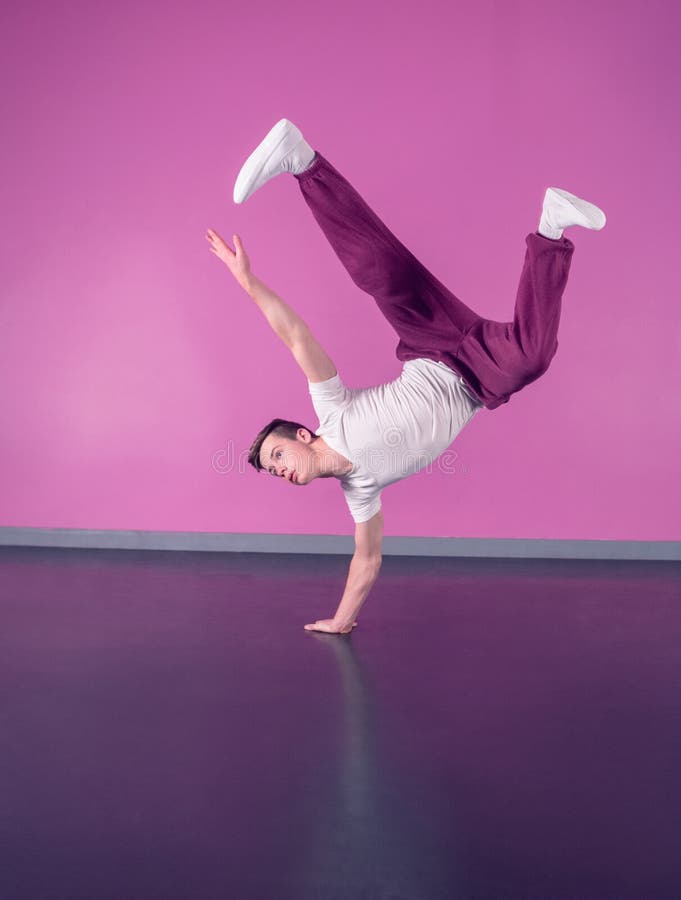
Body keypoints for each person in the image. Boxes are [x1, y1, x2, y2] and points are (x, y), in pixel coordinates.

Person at [205, 118, 606, 635]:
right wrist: (340, 621)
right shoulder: (360, 491)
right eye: (272, 470)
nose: (279, 469)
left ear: (302, 434)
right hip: (475, 377)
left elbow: (297, 338)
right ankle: (551, 229)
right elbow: (366, 563)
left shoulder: (333, 412)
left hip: (429, 341)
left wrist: (248, 281)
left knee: (377, 270)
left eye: (277, 455)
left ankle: (301, 161)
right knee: (531, 358)